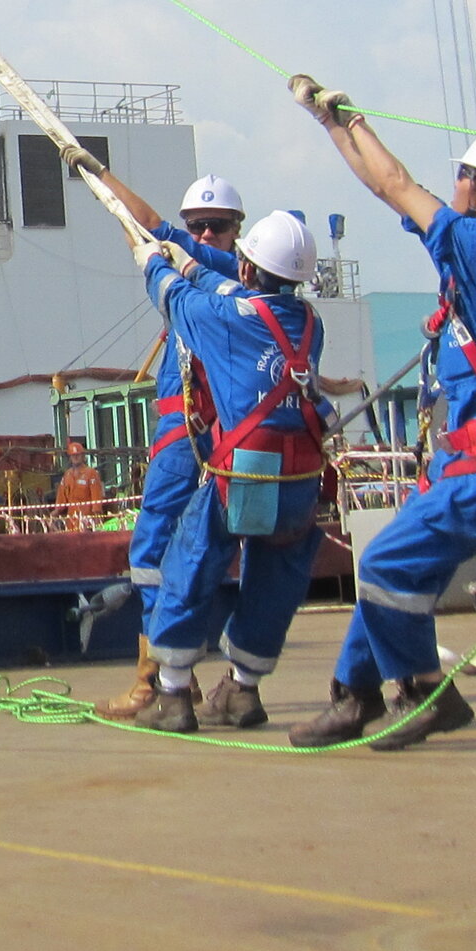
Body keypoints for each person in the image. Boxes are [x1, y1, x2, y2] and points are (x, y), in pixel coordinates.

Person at [282, 88, 476, 750]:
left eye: (464, 176)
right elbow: (391, 189)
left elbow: (396, 183)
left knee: (383, 568)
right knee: (398, 571)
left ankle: (423, 690)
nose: (453, 185)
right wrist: (333, 125)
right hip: (466, 464)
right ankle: (354, 696)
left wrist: (351, 122)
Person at [131, 207, 329, 732]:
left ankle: (172, 694)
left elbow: (175, 299)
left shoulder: (224, 323)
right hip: (300, 480)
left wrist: (154, 261)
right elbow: (230, 293)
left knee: (191, 560)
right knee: (274, 579)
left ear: (246, 268)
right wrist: (193, 266)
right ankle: (243, 691)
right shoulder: (310, 324)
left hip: (248, 476)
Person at [67, 166, 247, 723]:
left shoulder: (221, 269)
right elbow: (141, 232)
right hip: (191, 432)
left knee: (155, 552)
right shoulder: (198, 273)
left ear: (236, 230)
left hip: (193, 434)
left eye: (217, 226)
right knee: (177, 554)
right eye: (198, 225)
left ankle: (155, 680)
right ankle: (180, 676)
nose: (206, 235)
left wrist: (101, 177)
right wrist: (107, 192)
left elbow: (147, 228)